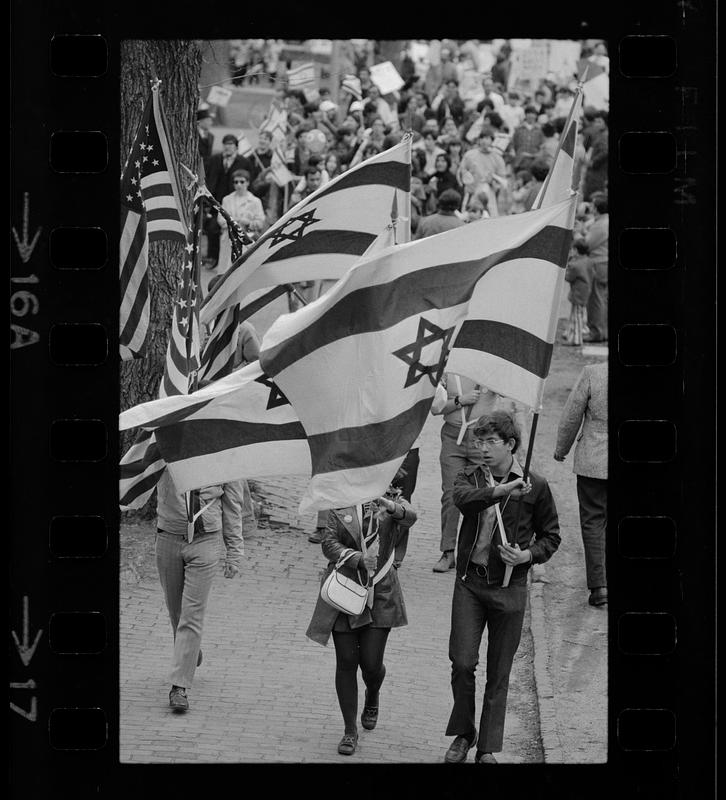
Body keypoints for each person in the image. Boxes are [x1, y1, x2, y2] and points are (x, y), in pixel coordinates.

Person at [444, 411, 561, 763]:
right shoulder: (470, 476)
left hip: (510, 589)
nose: (481, 449)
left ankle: (487, 749)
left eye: (490, 442)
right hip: (470, 584)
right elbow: (465, 500)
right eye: (478, 441)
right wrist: (503, 489)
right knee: (462, 663)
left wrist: (526, 555)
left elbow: (552, 536)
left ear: (511, 445)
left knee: (500, 671)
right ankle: (464, 733)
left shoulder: (535, 485)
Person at [306, 486, 417, 756]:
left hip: (381, 591)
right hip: (345, 587)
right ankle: (349, 730)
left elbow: (411, 517)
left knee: (371, 663)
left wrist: (391, 507)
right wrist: (357, 558)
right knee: (346, 661)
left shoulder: (391, 498)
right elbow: (328, 544)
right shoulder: (339, 501)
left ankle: (373, 693)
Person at [155, 470, 246, 712]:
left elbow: (233, 503)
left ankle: (179, 687)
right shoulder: (165, 438)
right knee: (175, 611)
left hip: (206, 541)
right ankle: (189, 653)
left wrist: (235, 553)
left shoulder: (224, 448)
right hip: (169, 537)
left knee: (191, 614)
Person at [430, 375, 530, 573]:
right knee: (451, 496)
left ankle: (483, 550)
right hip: (453, 438)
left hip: (482, 440)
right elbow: (436, 408)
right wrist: (460, 400)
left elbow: (510, 391)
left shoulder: (487, 367)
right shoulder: (449, 369)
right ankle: (448, 552)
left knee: (487, 493)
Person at [553, 361, 608, 606]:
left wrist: (561, 449)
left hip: (593, 461)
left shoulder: (593, 373)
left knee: (593, 521)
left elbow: (571, 415)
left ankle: (600, 587)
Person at [204, 135, 253, 266]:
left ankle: (235, 258)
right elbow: (208, 177)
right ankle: (212, 257)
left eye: (231, 144)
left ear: (236, 147)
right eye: (225, 144)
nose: (228, 147)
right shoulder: (215, 159)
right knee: (213, 228)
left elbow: (249, 179)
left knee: (234, 230)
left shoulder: (244, 162)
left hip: (234, 200)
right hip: (217, 200)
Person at [217, 169, 265, 271]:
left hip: (246, 239)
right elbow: (220, 219)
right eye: (236, 182)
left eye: (242, 182)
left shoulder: (255, 201)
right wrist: (233, 222)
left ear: (247, 182)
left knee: (243, 270)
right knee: (226, 269)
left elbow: (260, 222)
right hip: (228, 239)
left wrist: (248, 223)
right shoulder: (227, 199)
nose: (239, 185)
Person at [579, 192, 609, 342]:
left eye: (592, 205)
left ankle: (596, 332)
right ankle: (603, 331)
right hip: (603, 263)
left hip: (598, 264)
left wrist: (577, 235)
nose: (590, 207)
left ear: (596, 208)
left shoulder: (599, 225)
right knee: (602, 298)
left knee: (595, 299)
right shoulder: (603, 221)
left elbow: (587, 245)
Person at [562, 240, 593, 345]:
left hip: (577, 294)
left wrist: (568, 262)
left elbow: (568, 277)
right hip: (586, 291)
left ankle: (576, 339)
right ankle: (571, 332)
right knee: (580, 314)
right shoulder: (588, 261)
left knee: (577, 316)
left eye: (572, 249)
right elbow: (594, 273)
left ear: (575, 250)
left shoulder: (574, 265)